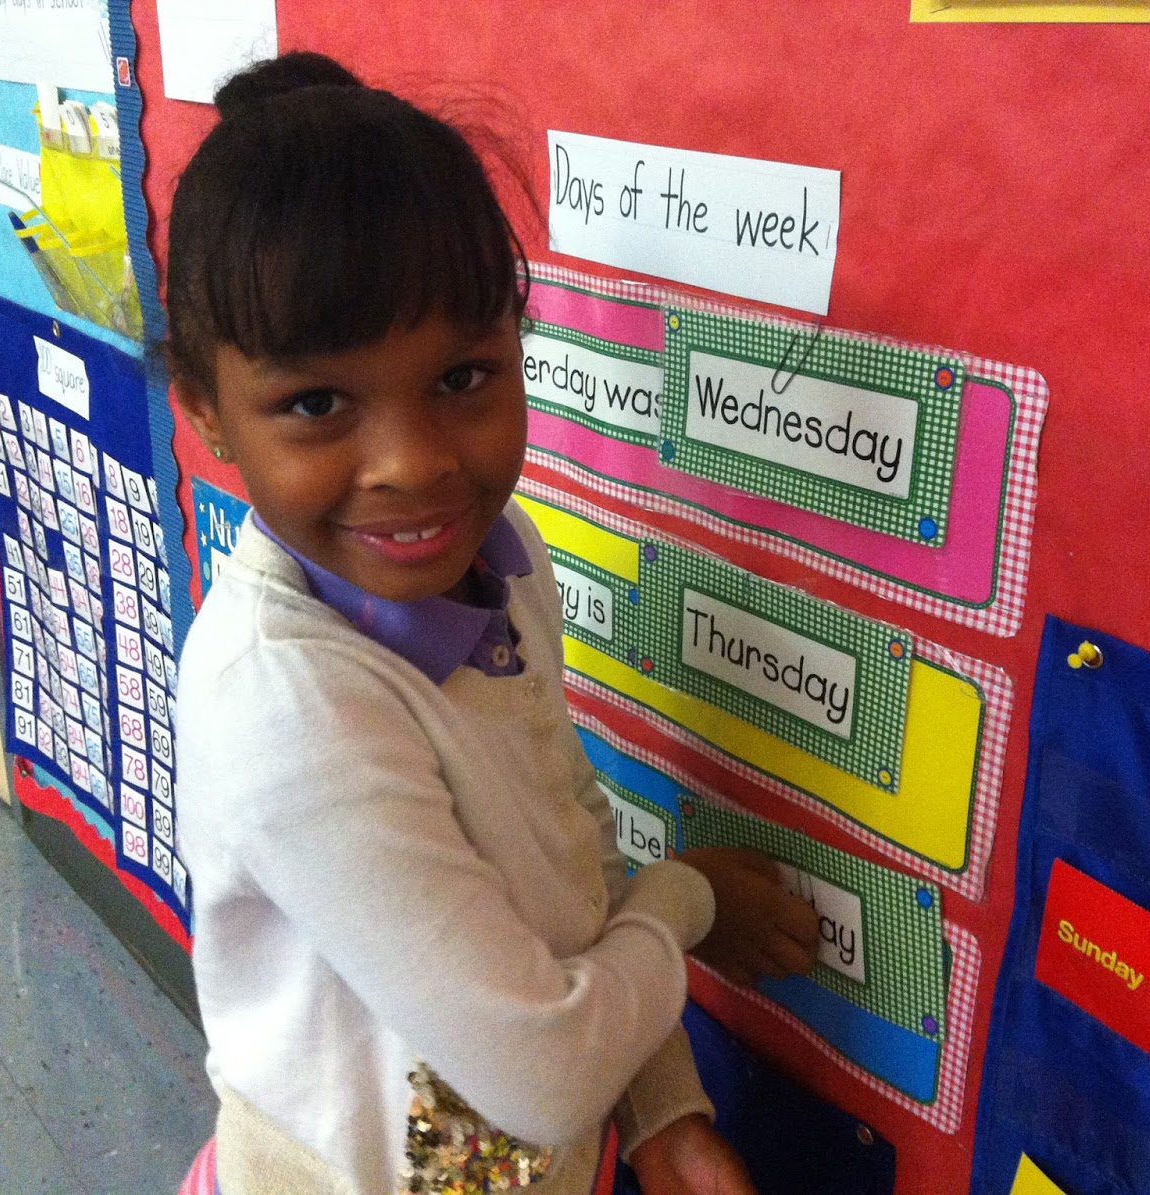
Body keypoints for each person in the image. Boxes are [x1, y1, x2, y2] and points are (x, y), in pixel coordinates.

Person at [168, 52, 817, 1195]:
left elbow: (565, 861)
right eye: (316, 404)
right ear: (208, 412)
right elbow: (544, 1067)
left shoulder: (498, 572)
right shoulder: (286, 703)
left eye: (465, 377)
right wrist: (692, 898)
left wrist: (661, 1103)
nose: (414, 465)